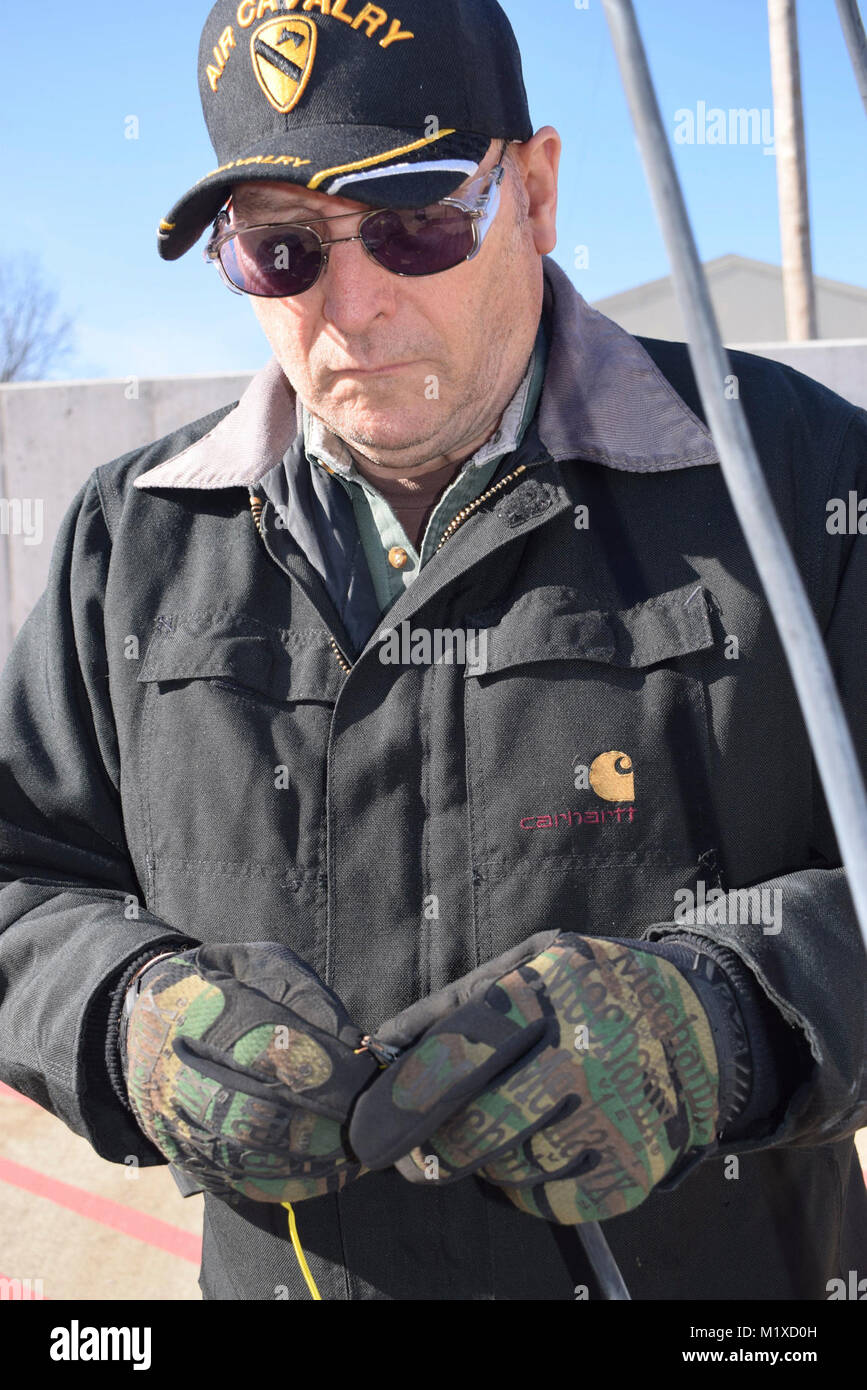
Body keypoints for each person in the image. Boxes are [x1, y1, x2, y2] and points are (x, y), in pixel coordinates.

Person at [0, 0, 864, 1303]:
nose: (353, 303)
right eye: (281, 250)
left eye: (414, 217)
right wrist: (121, 1018)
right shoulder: (131, 546)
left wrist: (734, 1026)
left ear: (537, 190)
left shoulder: (795, 481)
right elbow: (19, 876)